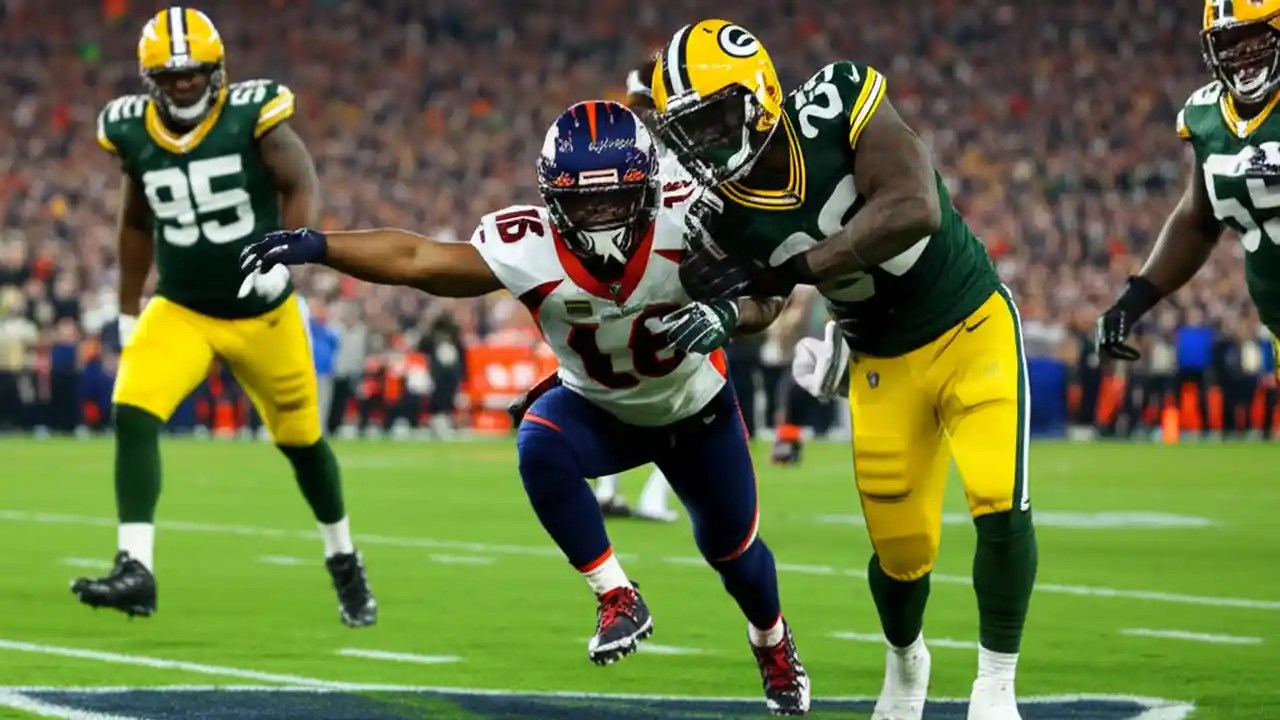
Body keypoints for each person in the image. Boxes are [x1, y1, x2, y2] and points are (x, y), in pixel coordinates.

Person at [240, 100, 809, 716]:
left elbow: (772, 286)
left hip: (695, 411)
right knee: (540, 441)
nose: (598, 215)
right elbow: (419, 260)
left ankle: (773, 644)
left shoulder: (691, 220)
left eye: (614, 198)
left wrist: (730, 313)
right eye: (584, 202)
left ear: (647, 188)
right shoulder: (528, 244)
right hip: (601, 408)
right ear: (550, 198)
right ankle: (616, 595)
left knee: (736, 559)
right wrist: (319, 245)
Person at [646, 20, 1037, 720]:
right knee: (901, 555)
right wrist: (727, 318)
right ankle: (907, 661)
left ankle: (995, 682)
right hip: (880, 358)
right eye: (690, 131)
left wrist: (797, 271)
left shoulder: (838, 97)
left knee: (999, 504)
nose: (705, 143)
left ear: (758, 93)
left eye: (713, 120)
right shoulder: (726, 212)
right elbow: (761, 298)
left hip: (969, 322)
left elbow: (911, 209)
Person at [71, 7, 375, 628]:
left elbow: (300, 177)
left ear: (218, 71)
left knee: (302, 443)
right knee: (132, 410)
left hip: (263, 313)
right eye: (172, 74)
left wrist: (288, 252)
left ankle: (343, 557)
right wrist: (128, 310)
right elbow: (134, 223)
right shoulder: (129, 129)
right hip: (181, 307)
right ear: (150, 77)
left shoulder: (251, 113)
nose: (185, 84)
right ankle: (136, 567)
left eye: (195, 73)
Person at [1097, 0, 1280, 423]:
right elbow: (1198, 221)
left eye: (1254, 37)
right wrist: (1131, 301)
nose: (1242, 53)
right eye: (1229, 41)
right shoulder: (1204, 119)